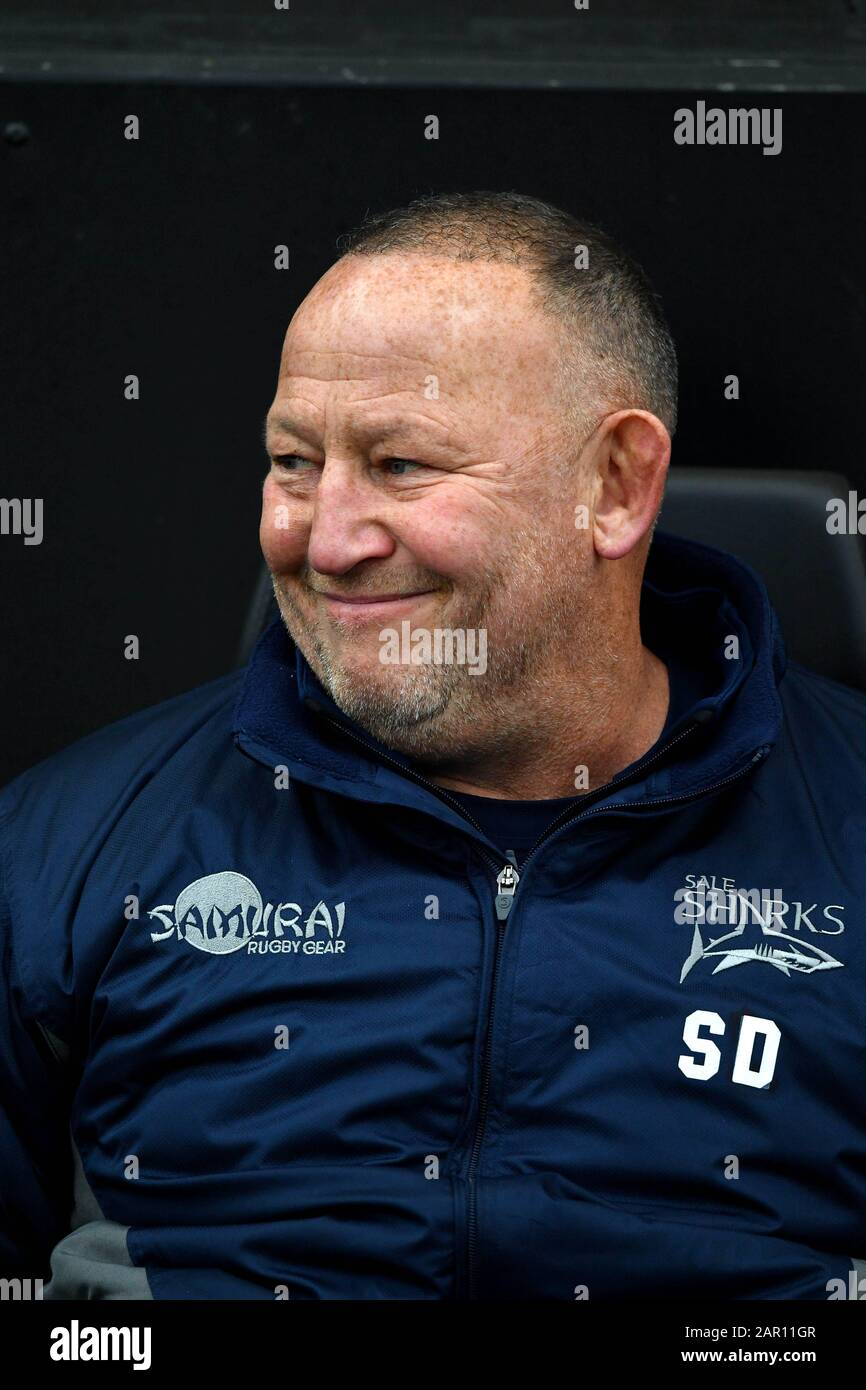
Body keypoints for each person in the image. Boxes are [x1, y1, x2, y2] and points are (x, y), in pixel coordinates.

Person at [2, 191, 865, 1301]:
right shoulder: (68, 842)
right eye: (292, 461)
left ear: (613, 486)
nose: (327, 539)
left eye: (401, 464)